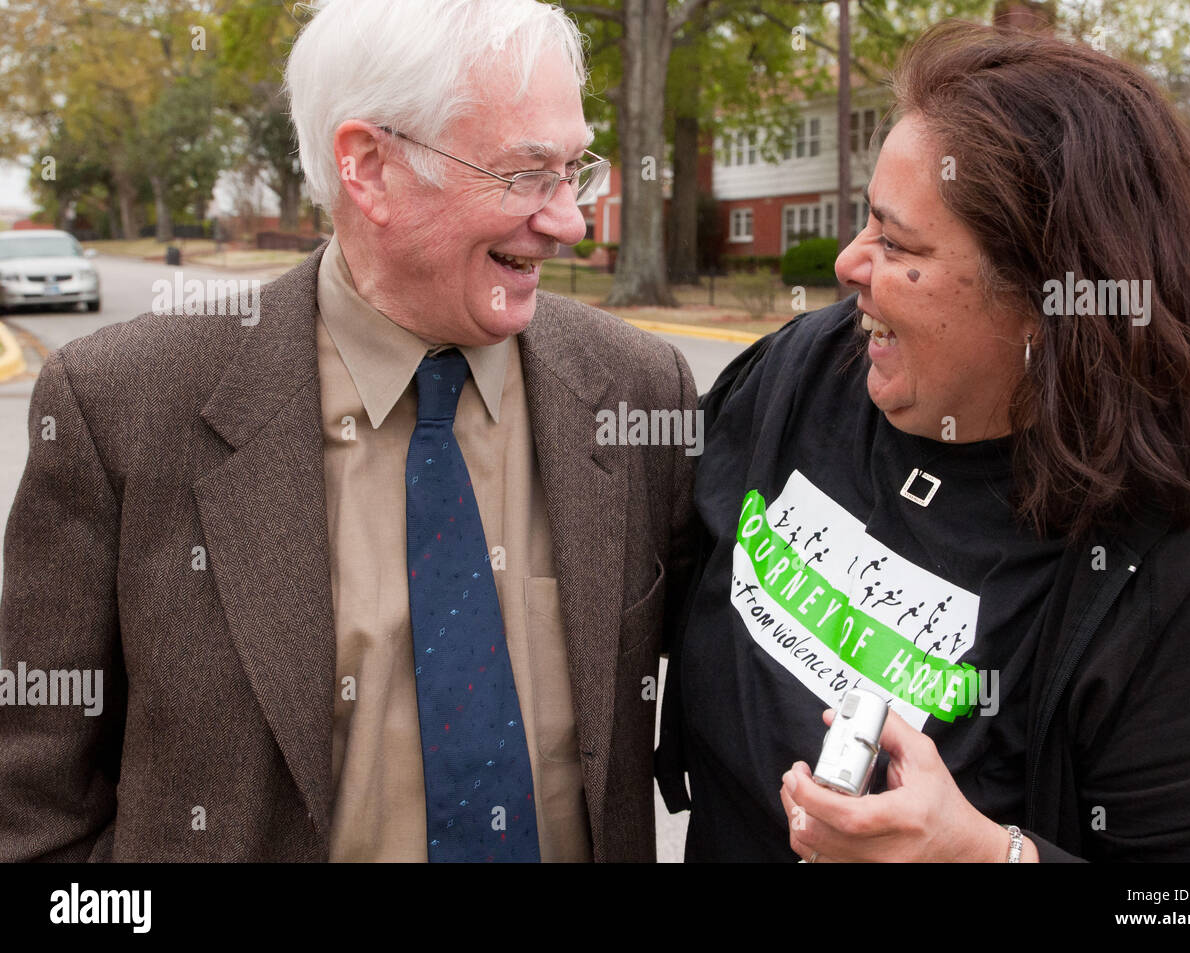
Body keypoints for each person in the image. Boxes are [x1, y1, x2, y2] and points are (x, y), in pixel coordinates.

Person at [0, 0, 695, 862]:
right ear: (368, 167)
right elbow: (33, 812)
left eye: (572, 169)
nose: (568, 221)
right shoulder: (121, 406)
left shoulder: (637, 392)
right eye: (525, 175)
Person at [655, 20, 1190, 862]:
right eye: (864, 223)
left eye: (897, 242)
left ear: (1046, 306)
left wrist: (982, 854)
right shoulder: (808, 370)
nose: (850, 263)